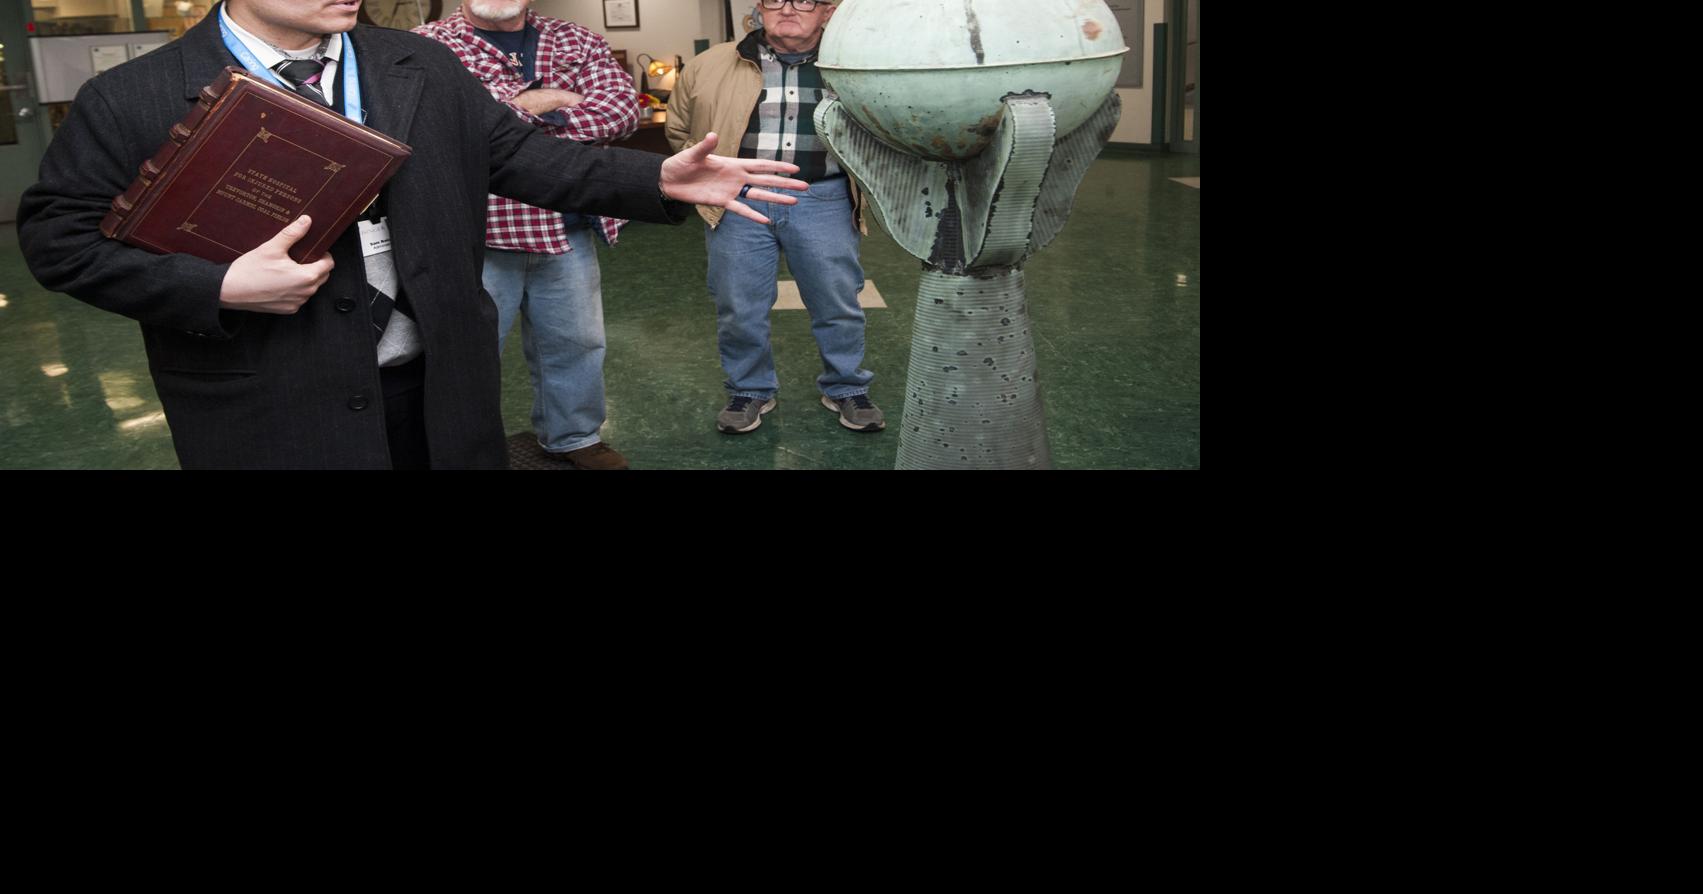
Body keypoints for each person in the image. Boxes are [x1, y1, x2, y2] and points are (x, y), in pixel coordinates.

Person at [17, 0, 803, 469]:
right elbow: (59, 240)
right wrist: (216, 287)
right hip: (270, 400)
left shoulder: (417, 64)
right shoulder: (130, 95)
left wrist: (653, 179)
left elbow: (519, 155)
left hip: (440, 391)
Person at [417, 1, 636, 470]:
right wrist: (551, 99)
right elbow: (449, 125)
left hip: (567, 225)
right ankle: (463, 449)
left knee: (577, 343)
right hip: (478, 232)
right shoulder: (427, 45)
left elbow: (621, 112)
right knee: (469, 353)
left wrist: (513, 114)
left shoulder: (577, 38)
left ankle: (575, 437)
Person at [666, 0, 882, 435]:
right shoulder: (710, 65)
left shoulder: (856, 65)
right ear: (758, 8)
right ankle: (749, 390)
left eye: (805, 0)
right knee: (738, 305)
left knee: (837, 303)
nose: (788, 8)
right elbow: (679, 129)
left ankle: (845, 388)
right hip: (738, 201)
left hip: (823, 198)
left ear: (827, 12)